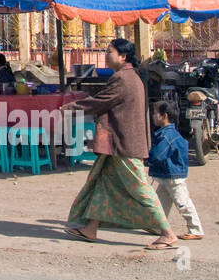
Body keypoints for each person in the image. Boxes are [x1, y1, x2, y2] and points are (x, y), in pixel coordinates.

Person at [62, 39, 176, 249]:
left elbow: (100, 101)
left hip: (123, 143)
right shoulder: (132, 77)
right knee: (103, 184)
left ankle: (167, 233)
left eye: (109, 52)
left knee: (139, 187)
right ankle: (90, 228)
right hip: (118, 142)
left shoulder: (122, 79)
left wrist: (71, 107)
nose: (106, 55)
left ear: (123, 56)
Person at [147, 100, 204, 240]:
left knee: (183, 202)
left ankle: (196, 229)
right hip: (167, 174)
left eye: (155, 113)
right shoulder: (168, 133)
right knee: (161, 202)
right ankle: (157, 226)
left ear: (164, 115)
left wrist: (145, 159)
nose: (153, 116)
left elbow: (157, 155)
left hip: (172, 175)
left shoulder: (167, 136)